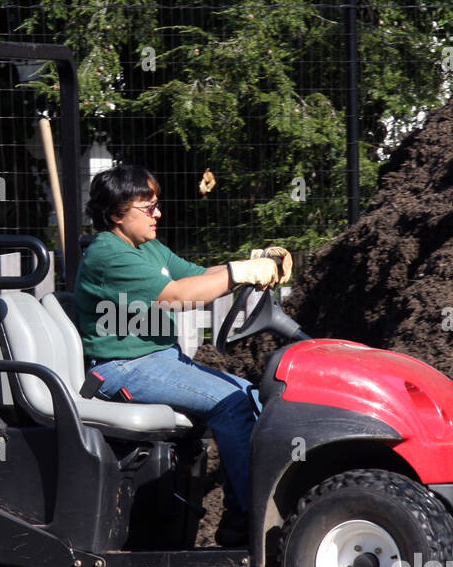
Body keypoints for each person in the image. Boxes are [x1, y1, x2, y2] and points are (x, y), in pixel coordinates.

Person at [74, 164, 292, 547]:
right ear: (116, 215)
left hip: (158, 359)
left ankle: (241, 511)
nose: (158, 214)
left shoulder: (146, 247)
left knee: (256, 396)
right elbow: (179, 296)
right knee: (231, 403)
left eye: (156, 204)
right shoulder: (109, 255)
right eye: (148, 207)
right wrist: (242, 272)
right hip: (123, 369)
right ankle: (253, 520)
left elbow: (197, 275)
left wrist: (249, 264)